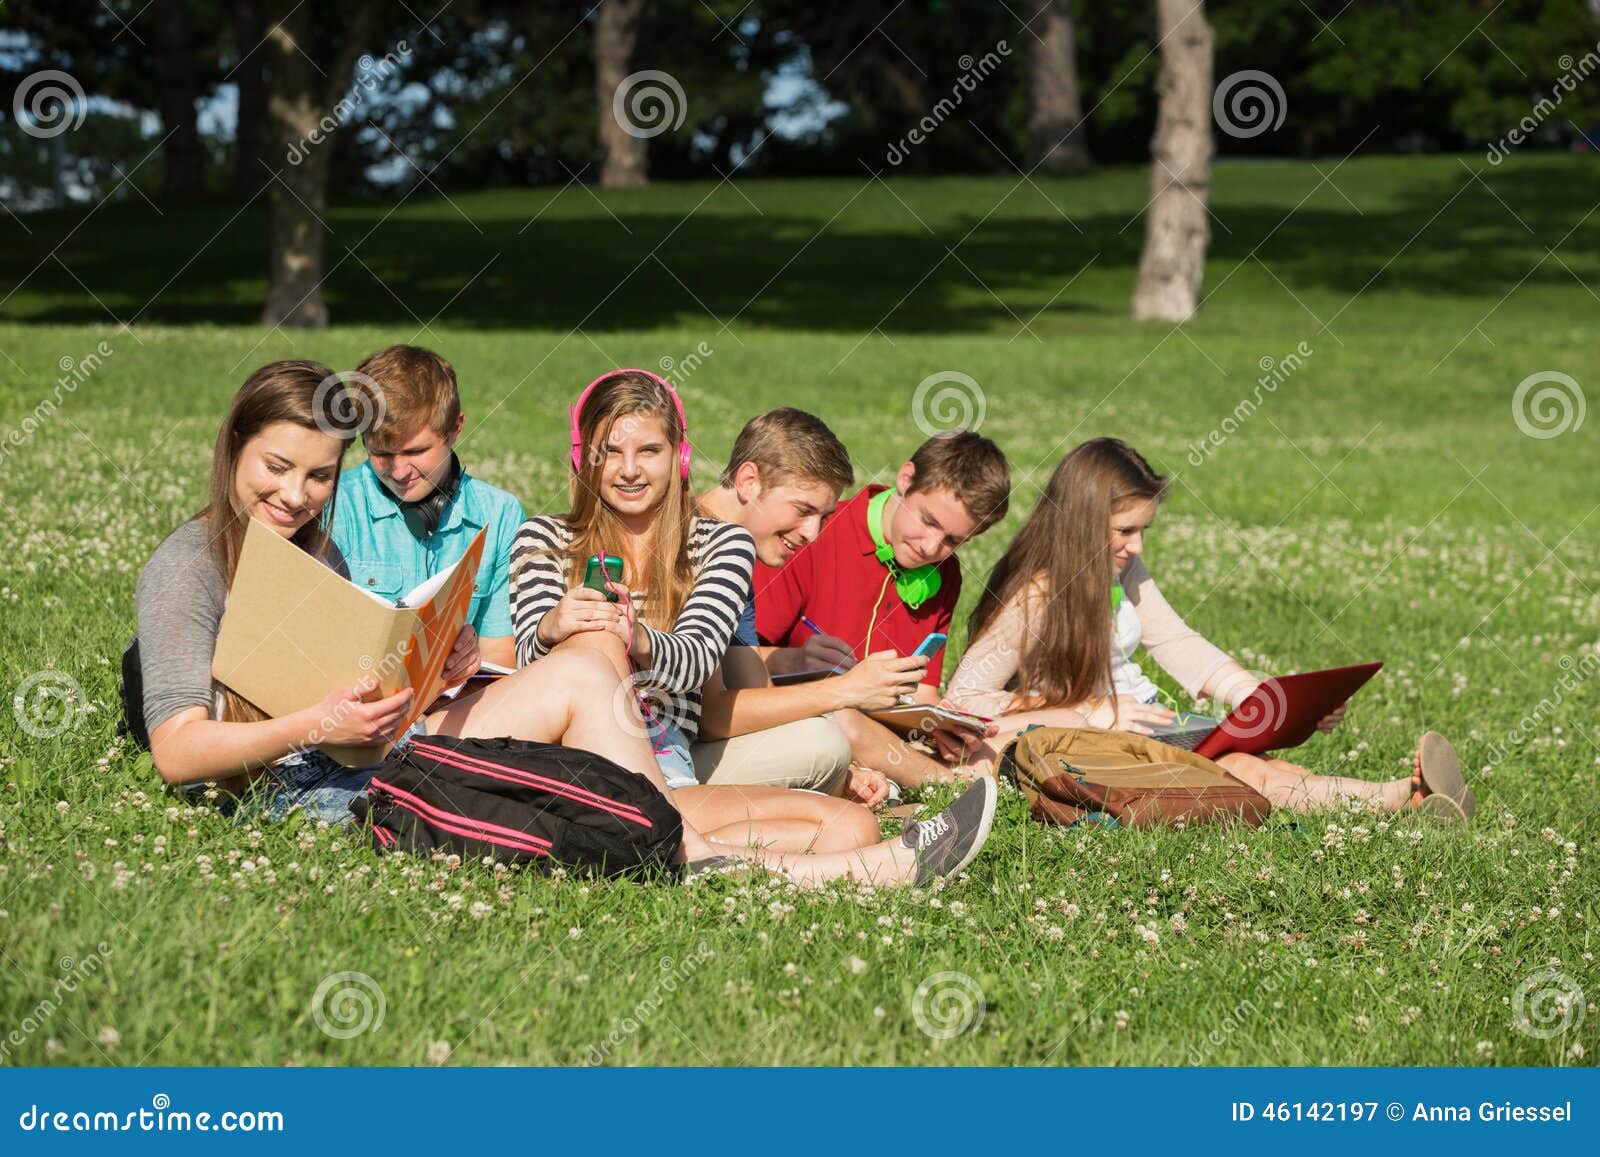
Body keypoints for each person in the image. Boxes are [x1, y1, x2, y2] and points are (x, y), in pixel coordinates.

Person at [131, 359, 1001, 884]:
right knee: (587, 661)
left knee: (844, 821)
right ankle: (745, 863)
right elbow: (177, 752)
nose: (296, 493)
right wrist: (321, 722)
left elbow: (350, 697)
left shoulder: (312, 552)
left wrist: (434, 665)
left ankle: (778, 856)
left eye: (320, 475)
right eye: (277, 467)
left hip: (389, 749)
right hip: (322, 785)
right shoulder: (188, 564)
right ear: (232, 447)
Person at [509, 368, 994, 863]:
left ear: (677, 457)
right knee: (594, 647)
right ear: (583, 458)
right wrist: (552, 626)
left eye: (649, 450)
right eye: (611, 451)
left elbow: (701, 664)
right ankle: (698, 845)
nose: (630, 469)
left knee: (852, 819)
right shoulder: (543, 538)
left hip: (671, 766)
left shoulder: (720, 544)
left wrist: (638, 637)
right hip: (581, 764)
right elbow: (531, 671)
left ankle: (684, 848)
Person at [949, 437, 1476, 819]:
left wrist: (1264, 699)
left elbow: (1176, 641)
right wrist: (1091, 713)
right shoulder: (1035, 596)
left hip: (1147, 723)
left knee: (1258, 760)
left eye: (1143, 529)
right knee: (1244, 774)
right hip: (1083, 741)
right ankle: (1401, 799)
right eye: (1125, 530)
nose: (1137, 546)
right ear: (1079, 523)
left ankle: (1412, 800)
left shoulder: (1122, 569)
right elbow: (964, 700)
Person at [753, 430, 1012, 786]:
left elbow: (920, 690)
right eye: (929, 521)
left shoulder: (945, 572)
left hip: (880, 731)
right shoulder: (814, 534)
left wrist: (938, 724)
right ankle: (951, 790)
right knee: (843, 720)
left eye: (953, 540)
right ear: (906, 479)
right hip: (805, 715)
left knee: (985, 752)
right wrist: (795, 660)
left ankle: (945, 782)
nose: (931, 547)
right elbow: (736, 662)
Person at [695, 409, 923, 805]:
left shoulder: (735, 551)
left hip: (685, 751)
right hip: (656, 761)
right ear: (749, 481)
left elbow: (753, 688)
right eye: (803, 510)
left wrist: (845, 771)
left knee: (823, 737)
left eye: (823, 516)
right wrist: (846, 690)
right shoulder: (699, 544)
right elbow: (711, 718)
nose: (812, 534)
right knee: (824, 741)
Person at [329, 344, 524, 669]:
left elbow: (500, 653)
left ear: (455, 429)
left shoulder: (501, 514)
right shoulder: (336, 505)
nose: (399, 471)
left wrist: (471, 663)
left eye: (415, 452)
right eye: (381, 453)